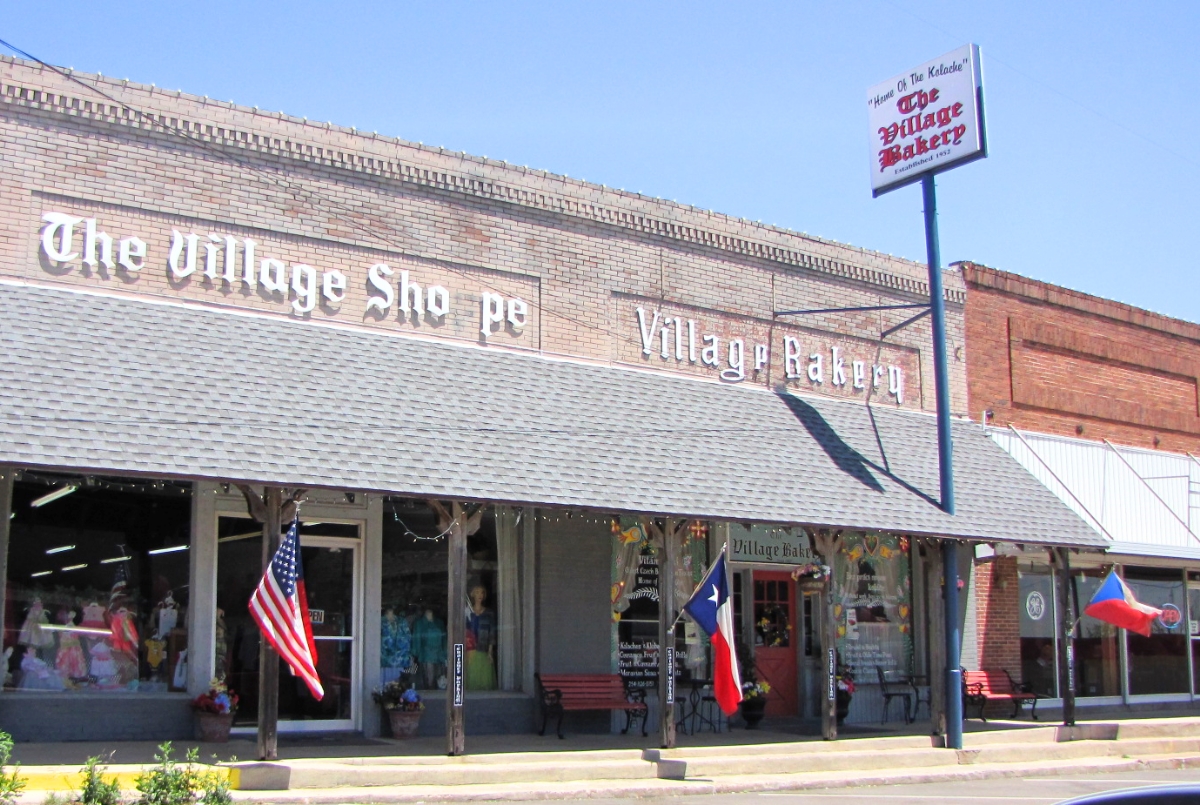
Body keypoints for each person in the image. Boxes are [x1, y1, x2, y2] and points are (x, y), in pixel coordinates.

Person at [465, 584, 496, 690]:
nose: (480, 595)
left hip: (484, 649)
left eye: (482, 592)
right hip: (470, 651)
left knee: (484, 679)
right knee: (471, 678)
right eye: (477, 592)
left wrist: (490, 652)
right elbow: (464, 632)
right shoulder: (468, 612)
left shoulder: (489, 613)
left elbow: (492, 632)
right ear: (473, 594)